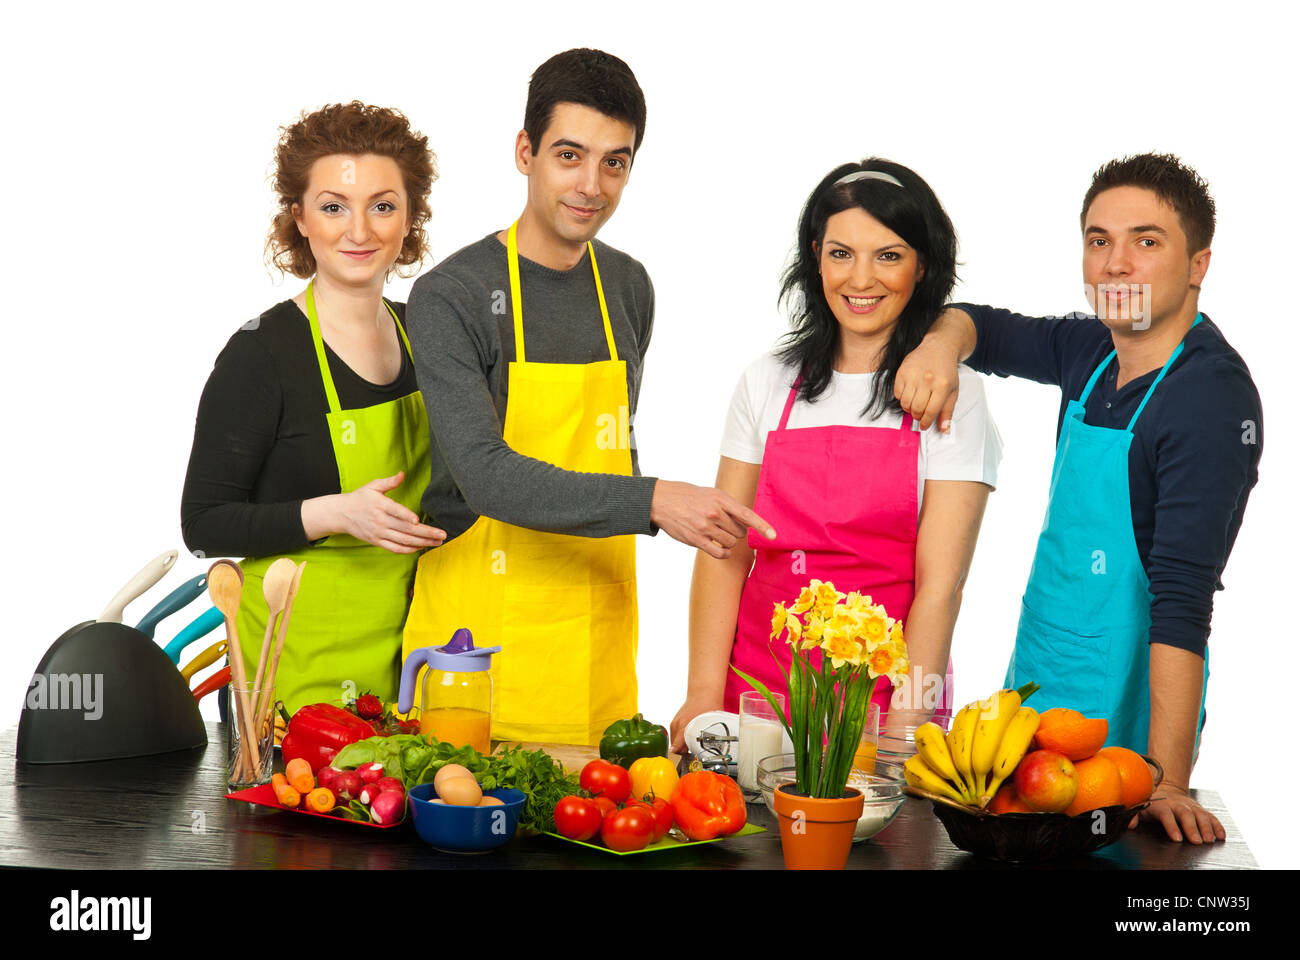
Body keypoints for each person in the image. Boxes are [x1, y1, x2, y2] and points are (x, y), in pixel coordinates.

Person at [403, 48, 774, 746]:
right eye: (569, 155)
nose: (591, 185)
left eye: (615, 161)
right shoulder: (450, 296)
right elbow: (483, 475)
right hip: (475, 658)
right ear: (525, 151)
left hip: (599, 651)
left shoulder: (629, 287)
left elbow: (611, 444)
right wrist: (653, 500)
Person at [894, 153, 1261, 844]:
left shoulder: (1208, 399)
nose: (1116, 264)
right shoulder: (1089, 348)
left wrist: (1169, 781)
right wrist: (941, 347)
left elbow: (1184, 606)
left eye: (1146, 241)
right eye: (1099, 240)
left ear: (1197, 265)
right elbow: (981, 324)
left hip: (1120, 715)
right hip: (1040, 668)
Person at [669, 159, 1002, 752]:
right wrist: (702, 695)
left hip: (879, 708)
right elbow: (725, 552)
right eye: (842, 253)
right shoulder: (768, 382)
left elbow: (940, 586)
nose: (862, 278)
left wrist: (906, 726)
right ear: (816, 255)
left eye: (890, 255)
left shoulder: (953, 392)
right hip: (754, 699)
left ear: (923, 266)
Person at [182, 102, 446, 714]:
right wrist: (334, 513)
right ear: (299, 218)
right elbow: (204, 521)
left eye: (383, 205)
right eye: (334, 207)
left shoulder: (428, 339)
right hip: (292, 657)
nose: (360, 231)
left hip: (411, 651)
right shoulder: (261, 355)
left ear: (410, 218)